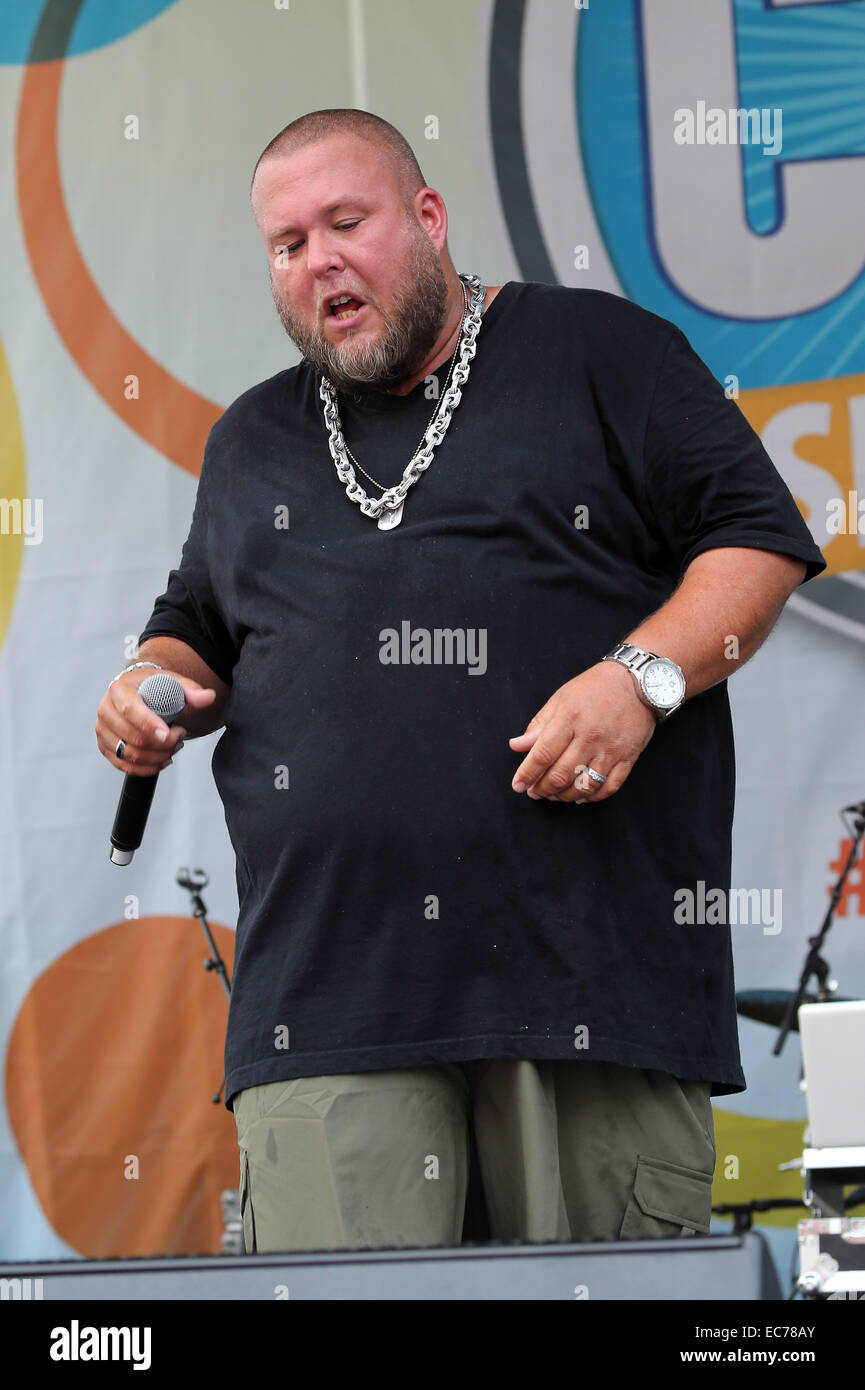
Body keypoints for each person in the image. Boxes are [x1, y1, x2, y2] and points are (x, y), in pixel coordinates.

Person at [95, 109, 826, 1254]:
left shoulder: (602, 354)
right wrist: (148, 684)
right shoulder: (250, 440)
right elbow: (195, 639)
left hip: (584, 988)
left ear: (428, 220)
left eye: (348, 222)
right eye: (288, 243)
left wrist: (636, 680)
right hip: (326, 1005)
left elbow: (758, 543)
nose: (319, 258)